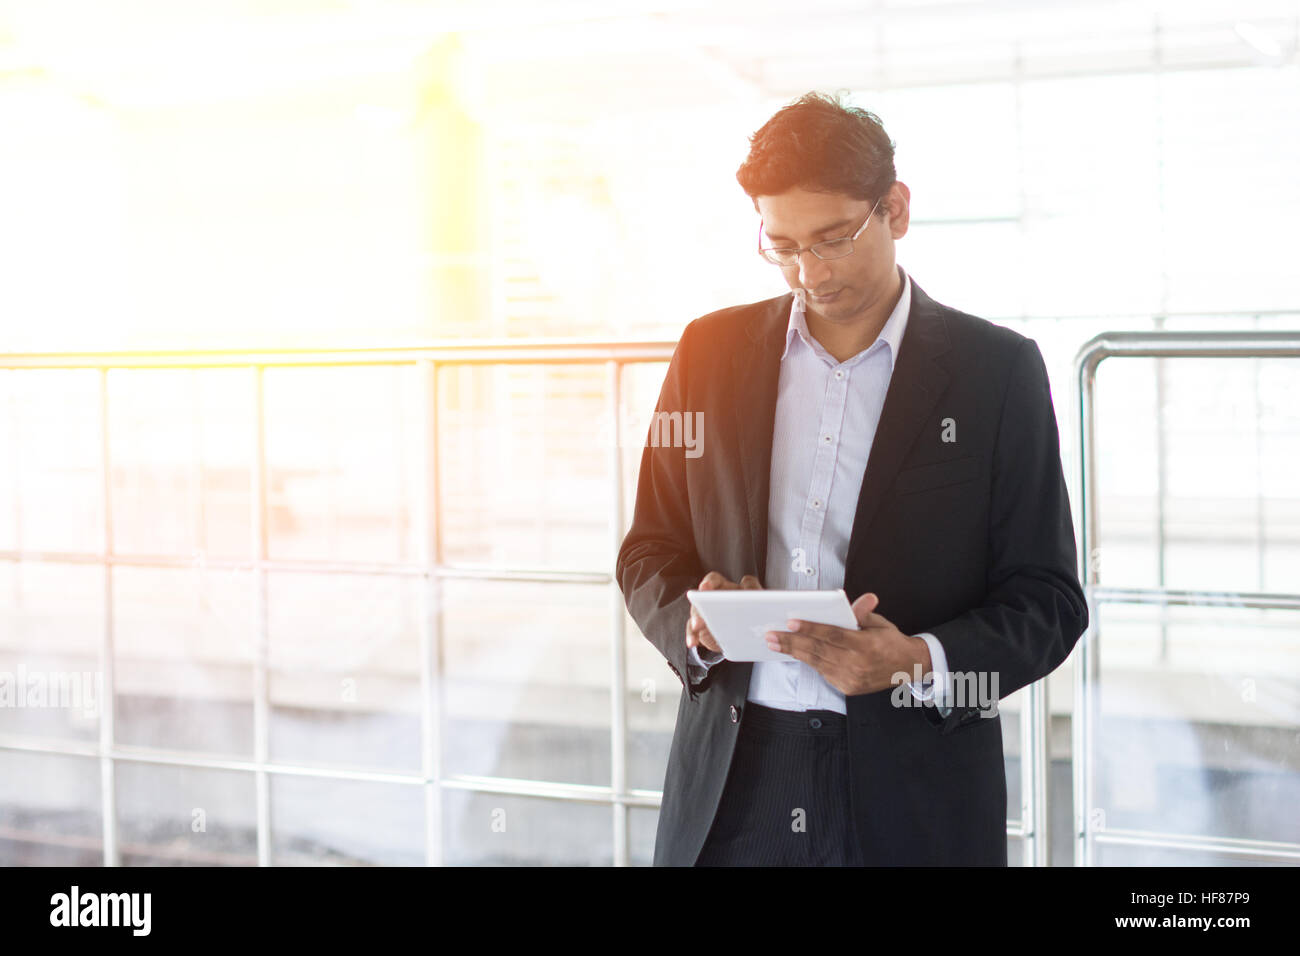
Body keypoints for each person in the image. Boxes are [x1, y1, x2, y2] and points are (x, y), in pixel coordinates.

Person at [615, 91, 1087, 866]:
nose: (810, 272)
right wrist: (694, 627)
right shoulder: (708, 353)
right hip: (736, 781)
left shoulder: (996, 372)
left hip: (916, 788)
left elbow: (1049, 601)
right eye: (783, 245)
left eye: (833, 239)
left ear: (894, 209)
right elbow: (647, 551)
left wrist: (916, 661)